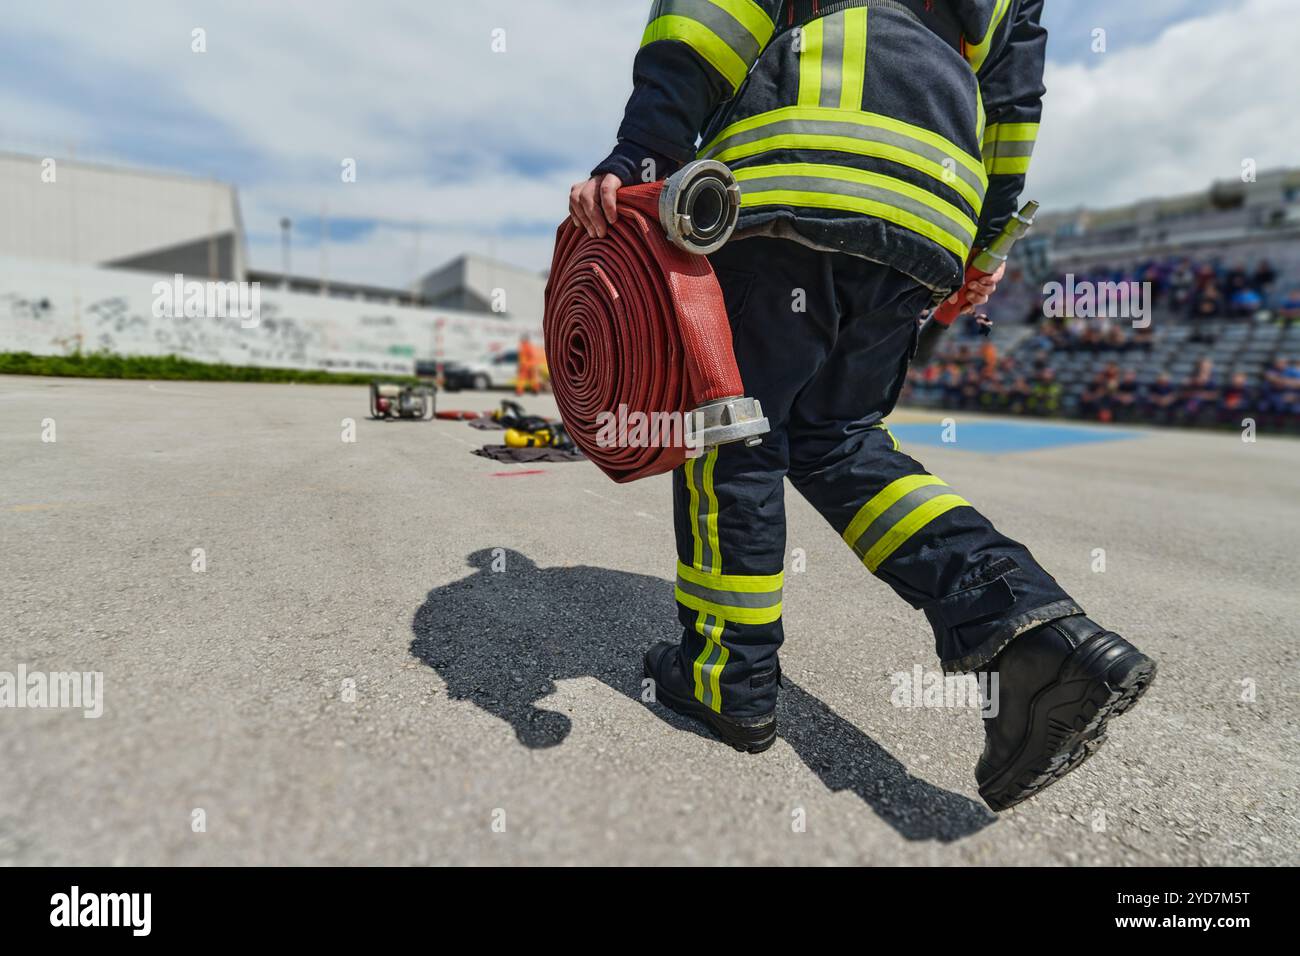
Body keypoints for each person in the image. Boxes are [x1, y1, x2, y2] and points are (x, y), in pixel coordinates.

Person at [568, 0, 1154, 811]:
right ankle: (1034, 632)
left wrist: (650, 143)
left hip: (796, 175)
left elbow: (715, 12)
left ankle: (725, 677)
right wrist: (986, 243)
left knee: (730, 428)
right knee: (839, 440)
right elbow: (1015, 103)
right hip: (929, 209)